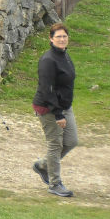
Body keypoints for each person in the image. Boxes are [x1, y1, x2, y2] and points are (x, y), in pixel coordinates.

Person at [33, 23, 77, 198]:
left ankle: (43, 165)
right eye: (58, 36)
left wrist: (64, 107)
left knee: (71, 141)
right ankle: (55, 183)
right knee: (55, 144)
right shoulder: (48, 60)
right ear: (51, 39)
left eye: (64, 36)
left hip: (65, 106)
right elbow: (47, 89)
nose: (62, 39)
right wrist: (58, 114)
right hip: (48, 108)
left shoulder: (65, 55)